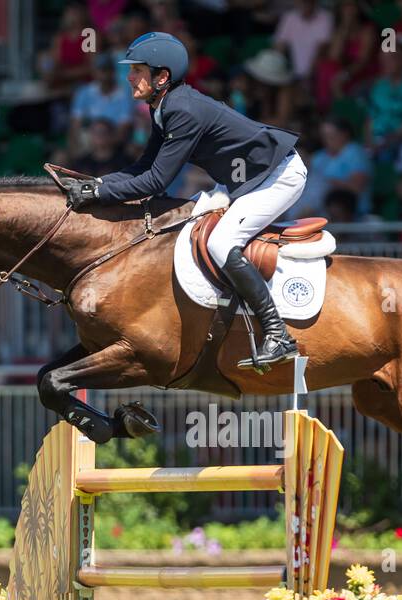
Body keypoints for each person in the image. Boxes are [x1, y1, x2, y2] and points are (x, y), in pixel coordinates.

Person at [62, 32, 304, 370]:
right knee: (182, 225)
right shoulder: (163, 106)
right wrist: (94, 184)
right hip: (245, 180)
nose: (129, 77)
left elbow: (157, 181)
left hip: (278, 177)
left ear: (162, 77)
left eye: (137, 71)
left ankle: (278, 335)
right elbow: (142, 166)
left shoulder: (182, 110)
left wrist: (99, 194)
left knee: (221, 243)